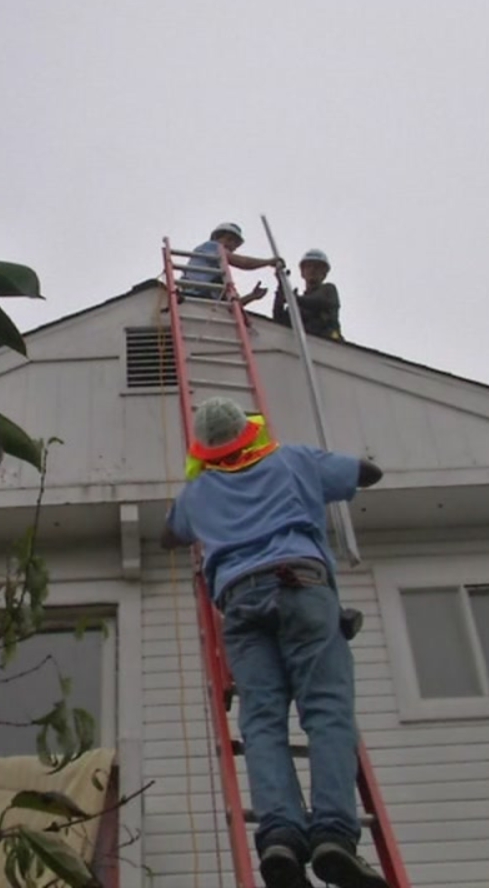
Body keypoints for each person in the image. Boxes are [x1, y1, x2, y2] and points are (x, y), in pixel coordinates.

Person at [162, 397, 386, 888]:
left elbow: (170, 533)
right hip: (302, 587)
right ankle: (333, 835)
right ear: (249, 432)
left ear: (203, 449)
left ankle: (280, 836)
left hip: (239, 602)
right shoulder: (294, 459)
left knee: (262, 721)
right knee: (325, 710)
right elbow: (367, 473)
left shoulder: (197, 492)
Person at [179, 222, 280, 306]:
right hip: (195, 295)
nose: (231, 244)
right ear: (216, 238)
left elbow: (233, 306)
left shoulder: (220, 272)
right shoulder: (211, 246)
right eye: (228, 239)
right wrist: (269, 262)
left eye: (235, 243)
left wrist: (252, 296)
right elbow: (244, 263)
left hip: (208, 303)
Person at [272, 248, 342, 341]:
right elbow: (279, 318)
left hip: (328, 347)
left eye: (317, 267)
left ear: (324, 274)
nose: (312, 270)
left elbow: (317, 302)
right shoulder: (298, 305)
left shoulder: (329, 290)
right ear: (302, 272)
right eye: (308, 266)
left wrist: (292, 298)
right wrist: (281, 287)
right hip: (304, 347)